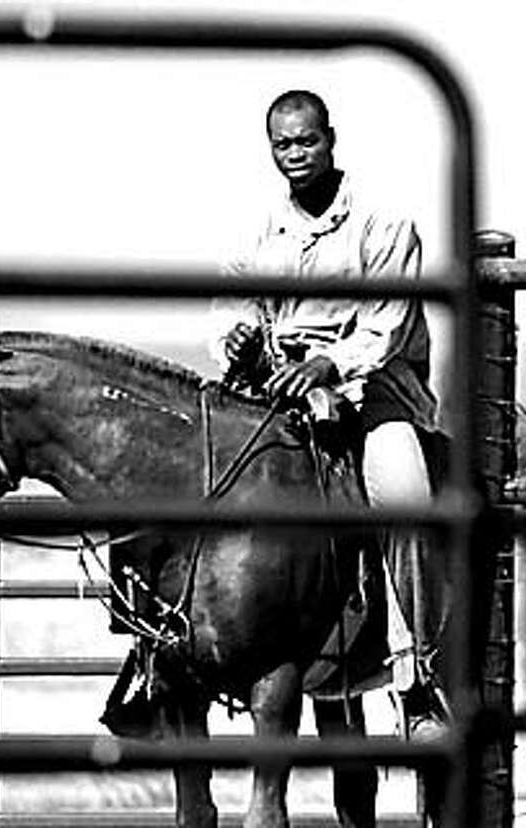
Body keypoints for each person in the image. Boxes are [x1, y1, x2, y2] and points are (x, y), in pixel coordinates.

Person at [211, 89, 449, 737]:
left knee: (405, 496)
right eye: (283, 144)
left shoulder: (384, 225)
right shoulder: (260, 232)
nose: (295, 154)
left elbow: (387, 326)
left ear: (331, 139)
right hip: (280, 390)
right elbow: (230, 304)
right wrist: (235, 336)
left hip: (371, 394)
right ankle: (163, 662)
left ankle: (416, 677)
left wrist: (328, 364)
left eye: (306, 140)